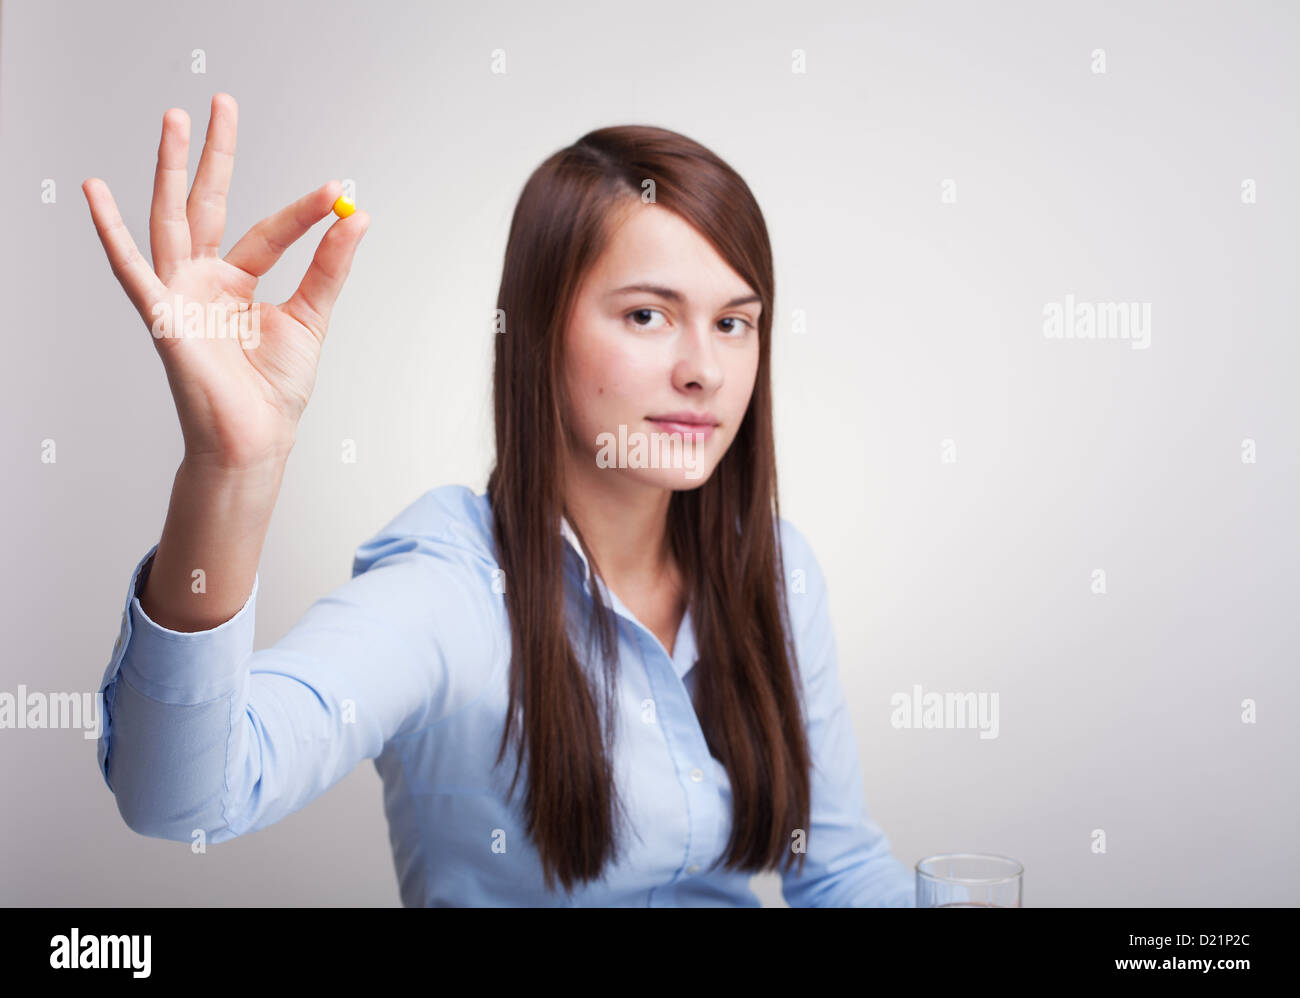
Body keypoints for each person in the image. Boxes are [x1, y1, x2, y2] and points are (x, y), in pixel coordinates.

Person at [83, 93, 914, 907]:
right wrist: (230, 468)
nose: (704, 369)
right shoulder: (449, 592)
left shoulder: (774, 567)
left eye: (734, 323)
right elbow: (183, 797)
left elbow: (839, 873)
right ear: (541, 331)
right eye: (649, 314)